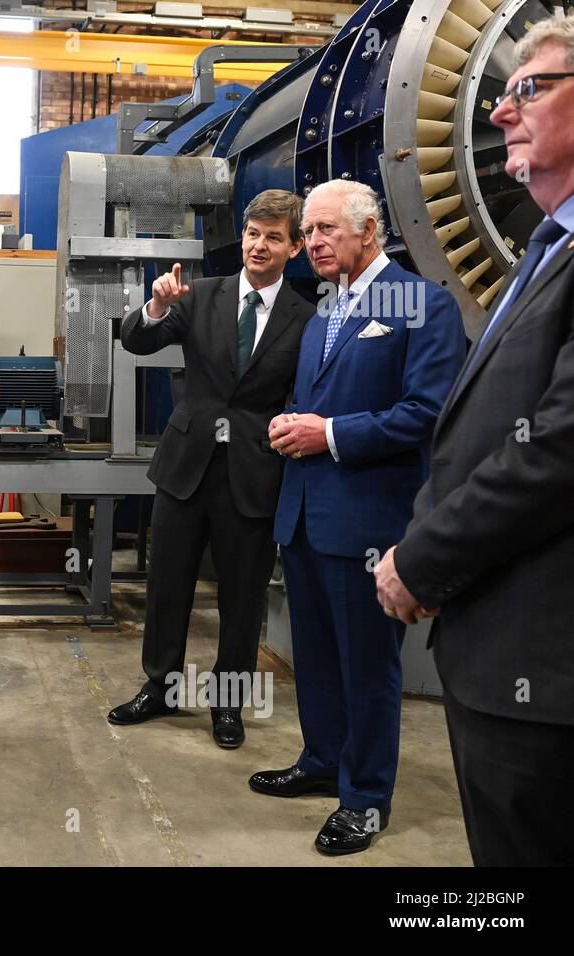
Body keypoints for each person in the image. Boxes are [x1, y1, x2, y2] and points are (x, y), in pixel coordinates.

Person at [375, 14, 574, 865]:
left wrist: (420, 563)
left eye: (531, 88)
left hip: (547, 672)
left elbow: (556, 451)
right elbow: (474, 428)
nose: (499, 112)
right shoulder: (545, 251)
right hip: (498, 648)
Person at [254, 179, 466, 854]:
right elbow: (316, 401)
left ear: (368, 232)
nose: (311, 242)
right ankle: (322, 761)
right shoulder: (325, 314)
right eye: (308, 232)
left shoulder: (419, 304)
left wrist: (330, 434)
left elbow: (426, 413)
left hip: (369, 525)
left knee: (368, 669)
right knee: (315, 659)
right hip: (308, 517)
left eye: (324, 230)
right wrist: (292, 423)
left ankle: (366, 798)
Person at [108, 190, 311, 748]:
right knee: (168, 583)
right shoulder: (199, 296)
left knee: (241, 596)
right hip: (186, 466)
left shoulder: (305, 317)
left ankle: (228, 704)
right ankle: (161, 687)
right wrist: (154, 306)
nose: (260, 245)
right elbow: (136, 342)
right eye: (252, 233)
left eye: (274, 237)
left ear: (293, 247)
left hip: (253, 472)